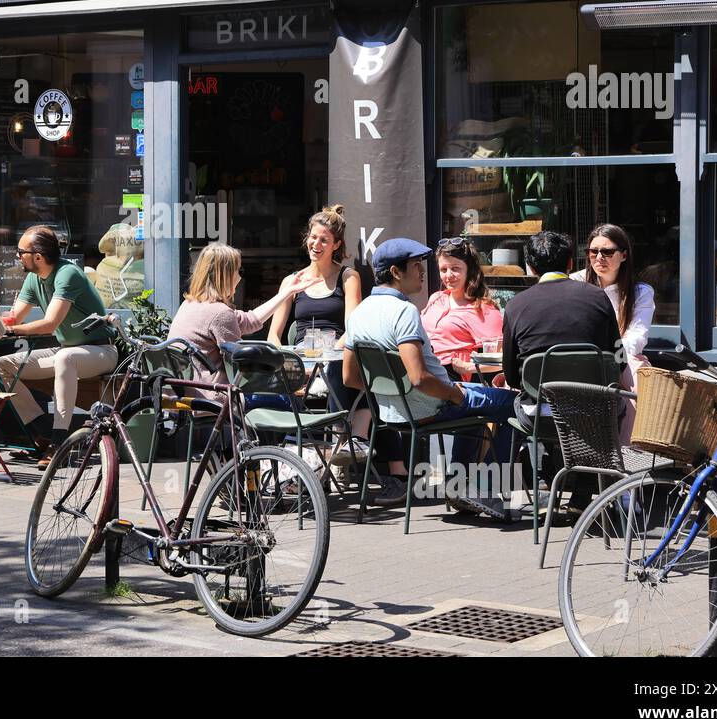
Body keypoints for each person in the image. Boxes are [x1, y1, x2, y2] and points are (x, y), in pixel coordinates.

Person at [342, 238, 517, 514]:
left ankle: (457, 487)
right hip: (430, 404)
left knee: (475, 412)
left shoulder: (359, 313)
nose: (424, 271)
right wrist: (453, 393)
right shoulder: (404, 311)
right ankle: (483, 487)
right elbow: (420, 378)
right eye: (415, 265)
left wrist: (391, 389)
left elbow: (350, 378)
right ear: (396, 272)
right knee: (515, 406)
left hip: (392, 412)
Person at [501, 231, 620, 518]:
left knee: (524, 402)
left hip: (539, 414)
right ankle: (583, 495)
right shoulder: (598, 297)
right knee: (598, 407)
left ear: (530, 267)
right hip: (592, 413)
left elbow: (512, 376)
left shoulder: (516, 305)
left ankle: (542, 482)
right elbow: (618, 360)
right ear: (570, 263)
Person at [0, 226, 119, 465]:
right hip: (67, 350)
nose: (17, 256)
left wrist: (8, 329)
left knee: (65, 358)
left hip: (101, 350)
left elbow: (50, 323)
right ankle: (42, 430)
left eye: (21, 252)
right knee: (0, 366)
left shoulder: (67, 274)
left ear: (38, 256)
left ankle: (59, 440)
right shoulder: (33, 278)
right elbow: (14, 318)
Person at [267, 205, 371, 451]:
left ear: (336, 245)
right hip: (302, 356)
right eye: (313, 238)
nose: (316, 244)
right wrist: (287, 361)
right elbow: (274, 334)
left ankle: (339, 444)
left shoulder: (348, 277)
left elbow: (352, 327)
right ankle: (290, 452)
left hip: (335, 353)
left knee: (337, 367)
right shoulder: (292, 281)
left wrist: (329, 355)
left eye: (324, 240)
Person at [169, 243, 311, 396]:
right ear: (227, 274)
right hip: (214, 397)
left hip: (187, 394)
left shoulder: (190, 305)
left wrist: (288, 291)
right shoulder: (220, 313)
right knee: (290, 400)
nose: (240, 276)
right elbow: (241, 368)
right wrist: (293, 376)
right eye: (239, 270)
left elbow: (250, 320)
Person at [571, 224, 655, 441]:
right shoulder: (575, 283)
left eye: (607, 252)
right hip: (584, 357)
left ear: (624, 255)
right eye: (593, 252)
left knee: (640, 384)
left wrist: (612, 357)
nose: (599, 257)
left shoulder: (640, 292)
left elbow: (637, 336)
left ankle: (631, 454)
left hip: (621, 356)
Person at [422, 238, 504, 381]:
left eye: (455, 269)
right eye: (443, 269)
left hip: (452, 379)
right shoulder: (436, 298)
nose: (448, 276)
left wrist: (468, 367)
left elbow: (502, 360)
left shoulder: (484, 309)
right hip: (423, 368)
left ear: (470, 270)